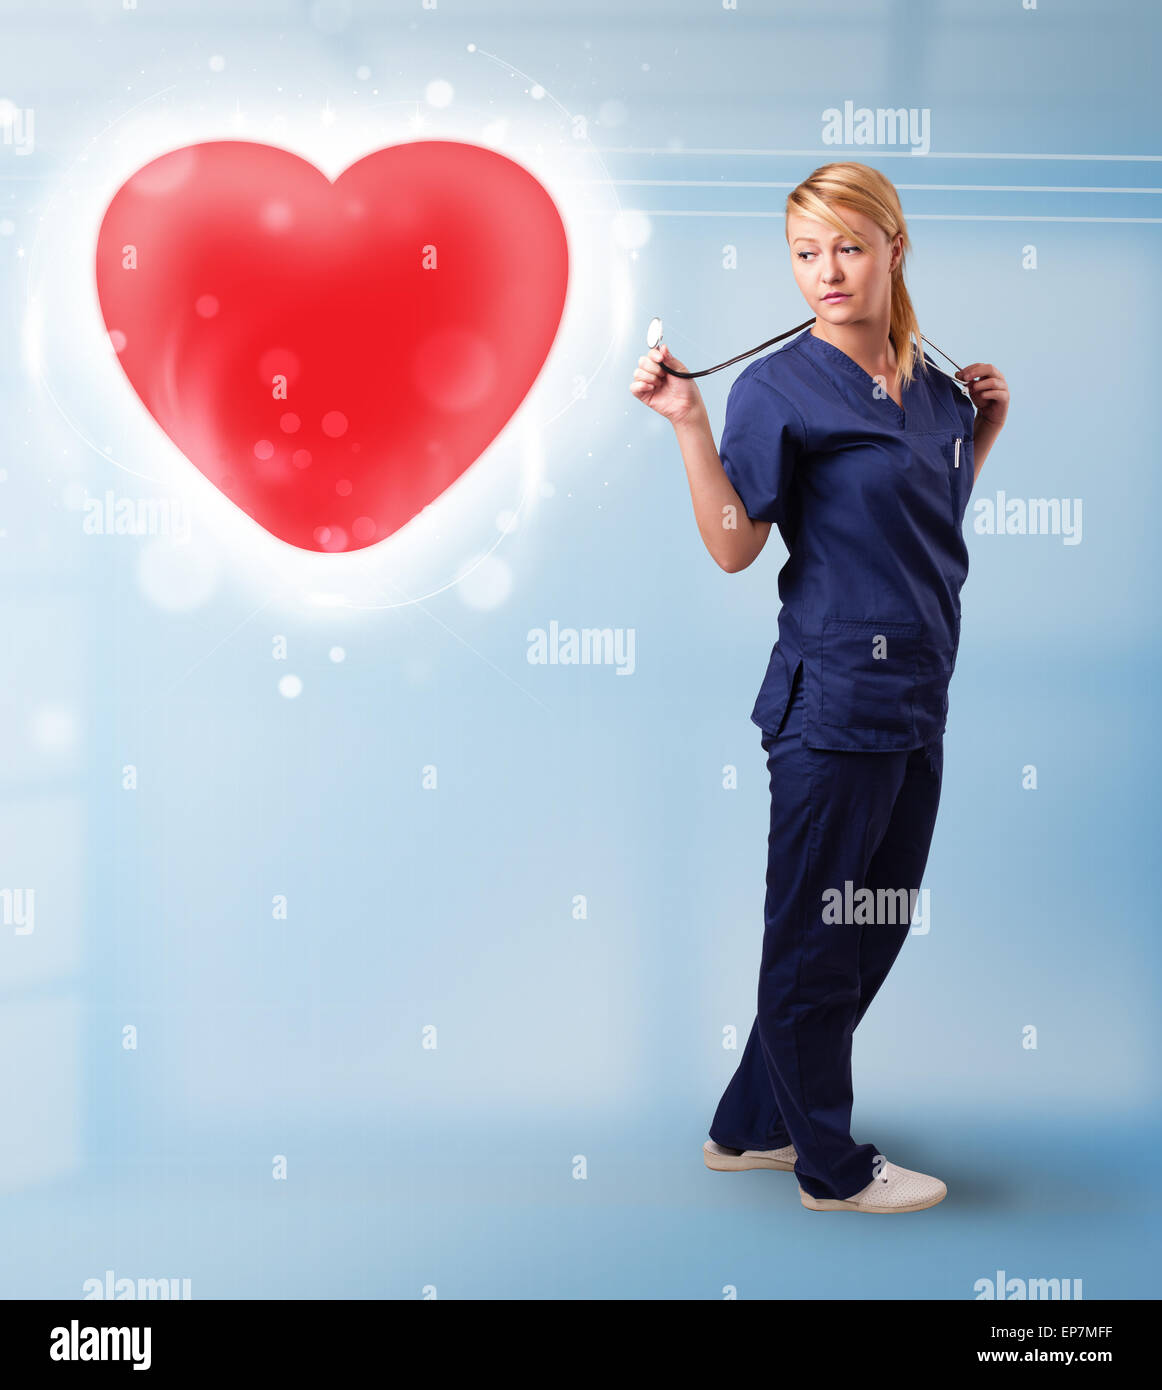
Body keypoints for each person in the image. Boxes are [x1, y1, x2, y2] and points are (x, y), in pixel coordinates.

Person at [629, 161, 1009, 1213]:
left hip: (917, 707)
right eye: (804, 253)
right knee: (813, 937)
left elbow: (923, 519)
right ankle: (829, 1166)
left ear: (894, 247)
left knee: (873, 921)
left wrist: (981, 432)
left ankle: (748, 1123)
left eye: (847, 246)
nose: (826, 272)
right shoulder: (776, 390)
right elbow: (733, 547)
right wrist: (688, 425)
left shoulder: (933, 389)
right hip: (832, 707)